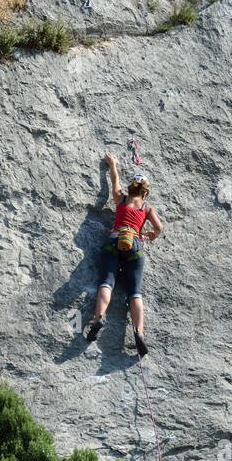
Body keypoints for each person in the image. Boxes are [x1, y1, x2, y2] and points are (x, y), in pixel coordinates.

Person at [85, 153, 163, 357]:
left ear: (131, 188)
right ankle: (139, 332)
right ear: (145, 193)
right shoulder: (147, 207)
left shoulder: (121, 199)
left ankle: (98, 317)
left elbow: (114, 181)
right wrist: (151, 236)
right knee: (134, 292)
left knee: (106, 283)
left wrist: (113, 164)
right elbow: (159, 227)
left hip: (114, 241)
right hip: (135, 245)